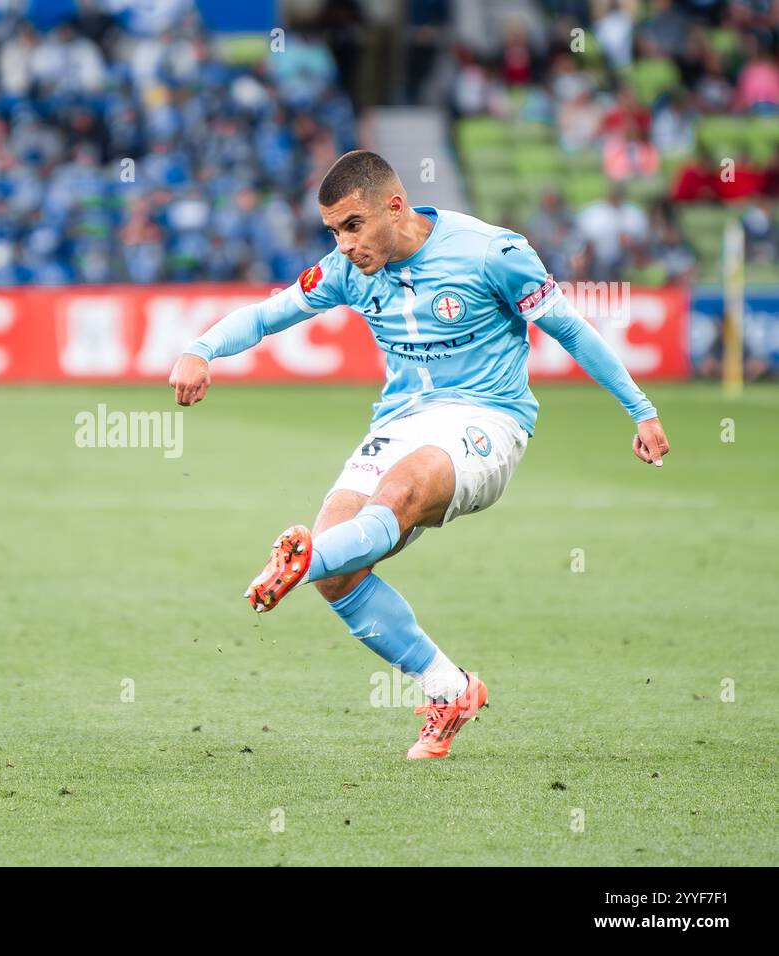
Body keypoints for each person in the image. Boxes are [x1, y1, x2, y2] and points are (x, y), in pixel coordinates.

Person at [168, 151, 670, 759]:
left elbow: (569, 329)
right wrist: (201, 349)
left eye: (353, 225)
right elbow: (269, 313)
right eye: (333, 230)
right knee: (338, 574)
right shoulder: (347, 270)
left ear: (395, 207)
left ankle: (298, 564)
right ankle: (449, 688)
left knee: (397, 495)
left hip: (488, 418)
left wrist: (640, 410)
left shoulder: (493, 253)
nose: (345, 244)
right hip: (399, 421)